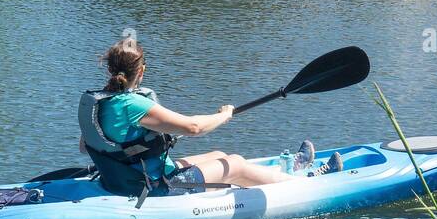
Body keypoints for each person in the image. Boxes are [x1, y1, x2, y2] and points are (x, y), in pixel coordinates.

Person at [78, 38, 341, 201]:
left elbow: (87, 145)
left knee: (219, 154)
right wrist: (224, 115)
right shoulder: (132, 104)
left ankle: (287, 169)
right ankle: (309, 183)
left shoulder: (101, 102)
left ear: (111, 69)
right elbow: (193, 127)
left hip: (127, 177)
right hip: (152, 186)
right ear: (142, 71)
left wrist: (144, 143)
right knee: (234, 164)